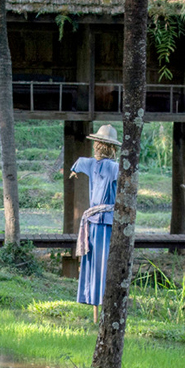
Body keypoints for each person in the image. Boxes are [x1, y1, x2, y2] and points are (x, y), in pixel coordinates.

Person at [70, 124, 120, 323]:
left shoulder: (91, 164)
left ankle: (94, 303)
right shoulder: (114, 167)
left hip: (94, 221)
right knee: (103, 261)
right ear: (112, 148)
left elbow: (79, 162)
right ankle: (102, 303)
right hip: (105, 220)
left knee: (93, 262)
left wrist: (74, 171)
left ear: (98, 145)